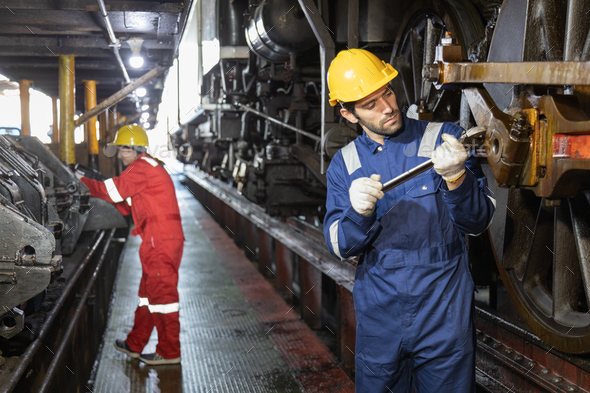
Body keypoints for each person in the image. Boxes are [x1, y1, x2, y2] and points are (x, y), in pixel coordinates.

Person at [323, 49, 495, 392]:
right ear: (348, 113)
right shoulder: (345, 163)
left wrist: (457, 178)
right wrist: (357, 214)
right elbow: (340, 246)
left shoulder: (444, 138)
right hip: (380, 315)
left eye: (387, 91)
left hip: (443, 311)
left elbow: (478, 222)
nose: (387, 106)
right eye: (370, 103)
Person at [79, 124, 185, 366]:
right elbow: (126, 205)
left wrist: (81, 182)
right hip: (158, 238)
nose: (120, 155)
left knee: (163, 298)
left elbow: (112, 191)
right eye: (119, 150)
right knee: (148, 296)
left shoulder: (141, 168)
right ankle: (135, 344)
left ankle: (170, 352)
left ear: (137, 149)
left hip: (160, 240)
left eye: (124, 150)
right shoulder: (144, 168)